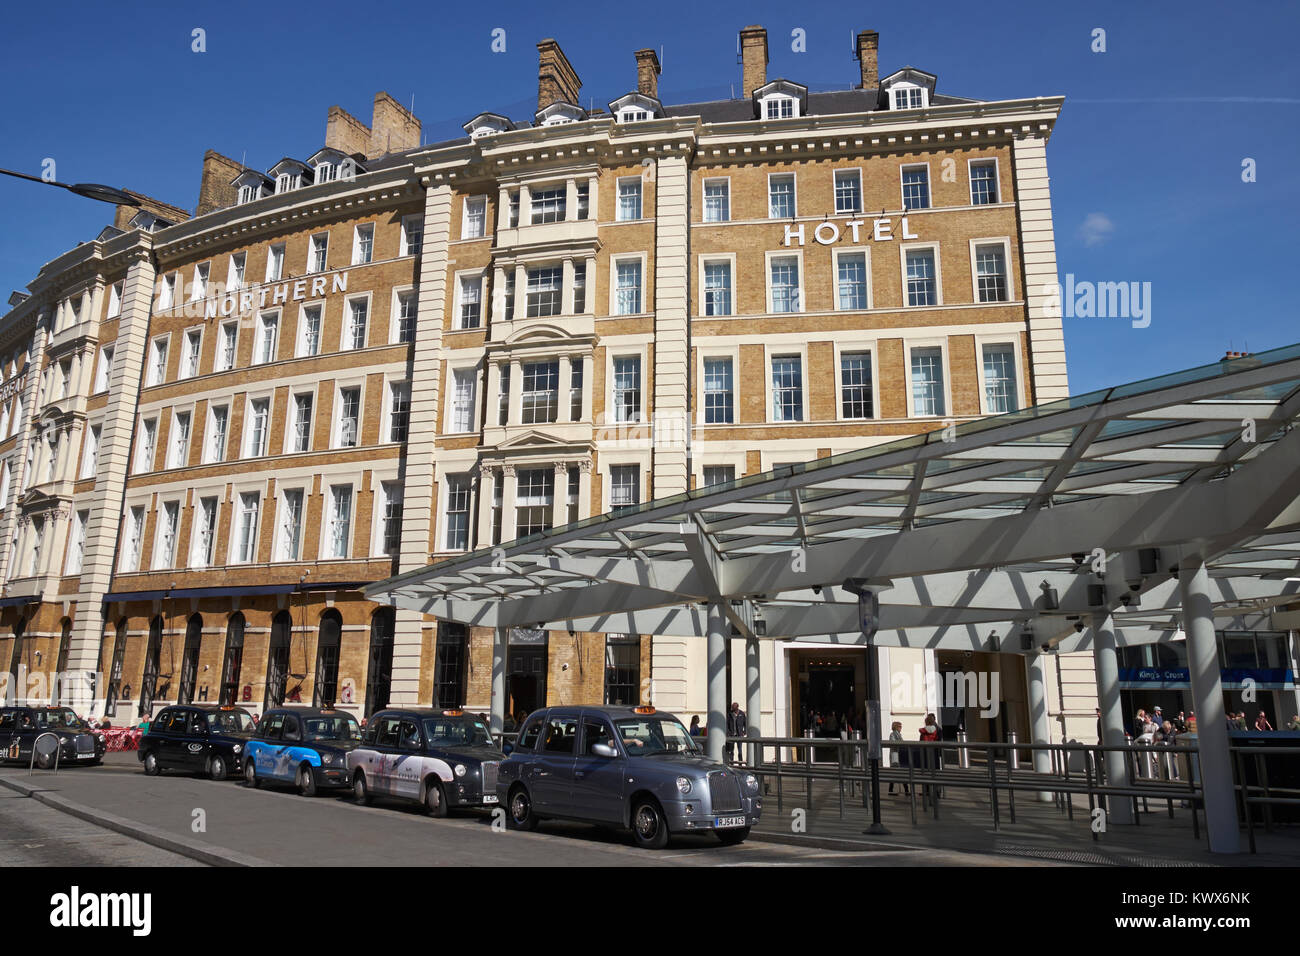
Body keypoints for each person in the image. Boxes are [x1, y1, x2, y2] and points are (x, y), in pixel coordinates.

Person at [887, 721, 909, 795]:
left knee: (899, 772)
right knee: (896, 772)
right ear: (896, 727)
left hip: (899, 754)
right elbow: (894, 743)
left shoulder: (898, 734)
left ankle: (905, 789)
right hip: (895, 755)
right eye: (899, 726)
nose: (901, 728)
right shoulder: (893, 734)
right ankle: (904, 790)